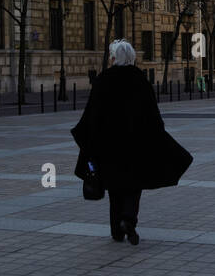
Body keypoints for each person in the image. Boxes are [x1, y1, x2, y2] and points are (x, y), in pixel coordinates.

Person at [71, 39, 193, 245]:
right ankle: (128, 219)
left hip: (109, 147)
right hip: (136, 146)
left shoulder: (103, 80)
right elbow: (153, 115)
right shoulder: (140, 80)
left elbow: (91, 115)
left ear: (113, 58)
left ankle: (116, 231)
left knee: (114, 187)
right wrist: (157, 136)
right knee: (133, 186)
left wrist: (88, 140)